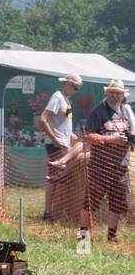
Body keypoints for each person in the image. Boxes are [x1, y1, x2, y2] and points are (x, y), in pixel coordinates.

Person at [81, 78, 134, 243]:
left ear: (123, 95)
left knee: (117, 204)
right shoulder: (98, 112)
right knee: (91, 202)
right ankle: (82, 238)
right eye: (112, 93)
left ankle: (112, 237)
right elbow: (88, 136)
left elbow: (131, 133)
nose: (115, 96)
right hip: (100, 166)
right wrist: (112, 140)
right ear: (107, 94)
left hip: (121, 166)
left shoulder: (126, 111)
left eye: (118, 93)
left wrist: (130, 139)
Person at [38, 73, 83, 222]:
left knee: (58, 178)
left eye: (78, 89)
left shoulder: (66, 99)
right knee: (55, 179)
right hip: (57, 145)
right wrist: (54, 139)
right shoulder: (57, 97)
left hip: (64, 142)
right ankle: (48, 212)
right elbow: (42, 119)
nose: (76, 91)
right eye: (75, 87)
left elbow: (61, 122)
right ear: (68, 84)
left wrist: (70, 135)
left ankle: (53, 211)